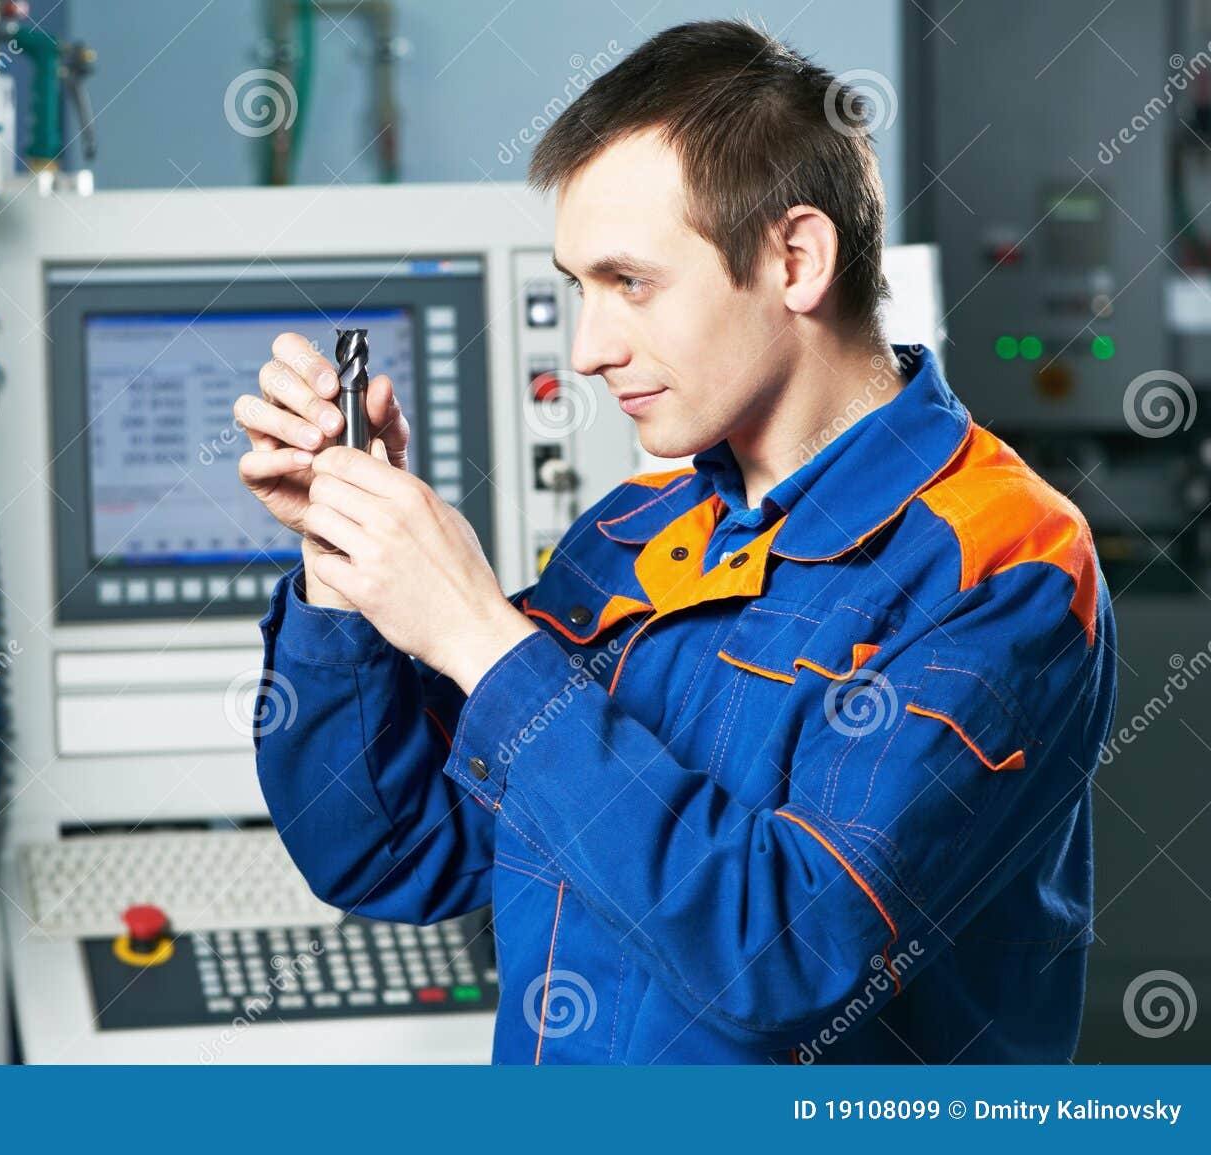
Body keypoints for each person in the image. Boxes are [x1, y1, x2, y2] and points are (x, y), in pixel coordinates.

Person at [234, 19, 1116, 1064]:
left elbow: (784, 958)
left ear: (795, 258)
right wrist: (344, 569)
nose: (590, 348)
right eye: (578, 289)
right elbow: (389, 851)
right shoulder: (636, 533)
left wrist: (480, 638)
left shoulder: (999, 564)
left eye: (631, 284)